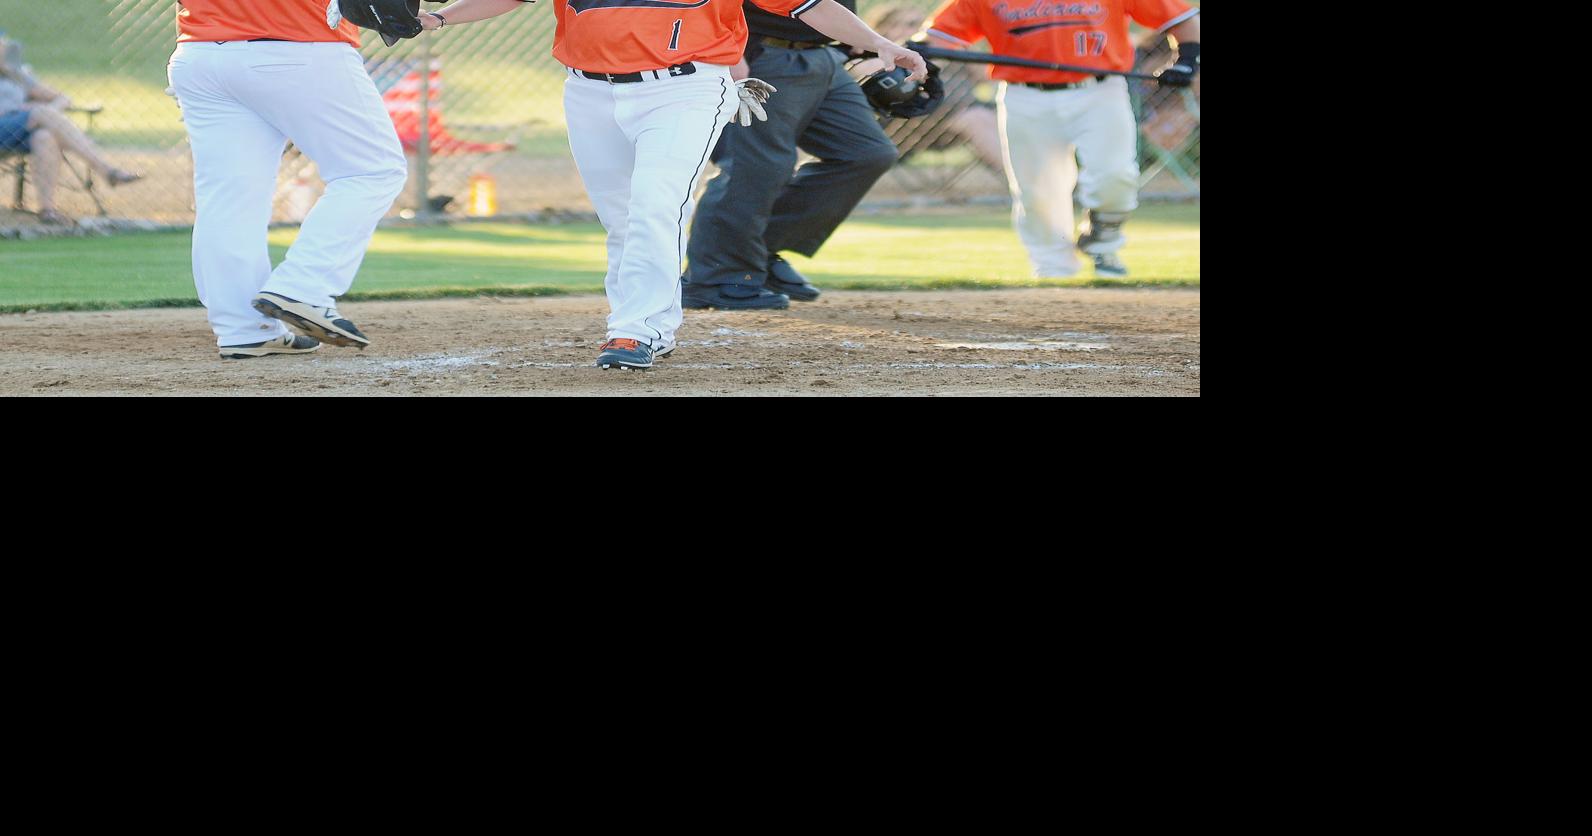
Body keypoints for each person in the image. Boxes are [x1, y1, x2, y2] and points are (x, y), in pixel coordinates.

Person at [415, 0, 926, 369]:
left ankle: (637, 330)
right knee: (620, 217)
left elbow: (807, 5)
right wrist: (437, 18)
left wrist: (879, 43)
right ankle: (637, 320)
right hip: (589, 91)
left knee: (656, 203)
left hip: (688, 87)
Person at [166, 1, 409, 359]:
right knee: (373, 170)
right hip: (296, 46)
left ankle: (244, 329)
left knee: (230, 196)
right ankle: (304, 286)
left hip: (200, 53)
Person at [922, 0, 1200, 278]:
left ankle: (1103, 236)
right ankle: (1053, 269)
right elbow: (937, 39)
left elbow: (1183, 19)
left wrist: (1187, 60)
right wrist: (908, 59)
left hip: (1100, 90)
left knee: (1115, 174)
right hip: (1023, 94)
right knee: (1037, 189)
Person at [678, 0, 902, 311]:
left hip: (823, 54)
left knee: (866, 154)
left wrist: (857, 37)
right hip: (758, 53)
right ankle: (717, 277)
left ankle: (753, 250)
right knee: (754, 165)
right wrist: (727, 53)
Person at [0, 34, 143, 226]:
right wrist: (38, 112)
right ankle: (107, 170)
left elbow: (63, 98)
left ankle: (47, 210)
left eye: (3, 46)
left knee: (45, 136)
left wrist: (45, 112)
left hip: (19, 127)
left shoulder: (16, 75)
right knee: (42, 114)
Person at [853, 4, 1002, 173]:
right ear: (885, 29)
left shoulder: (943, 49)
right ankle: (1023, 182)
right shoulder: (875, 55)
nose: (918, 30)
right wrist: (916, 57)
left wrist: (963, 48)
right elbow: (863, 72)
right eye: (910, 24)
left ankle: (1027, 180)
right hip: (912, 127)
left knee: (1005, 115)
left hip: (959, 119)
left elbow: (989, 77)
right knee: (976, 117)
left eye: (923, 25)